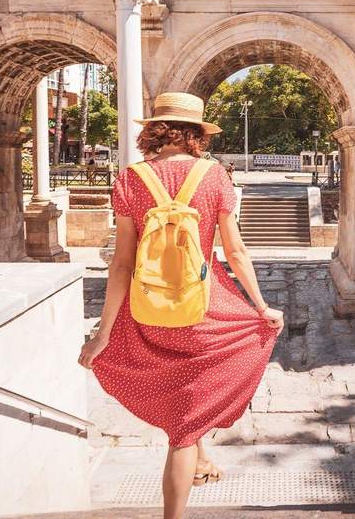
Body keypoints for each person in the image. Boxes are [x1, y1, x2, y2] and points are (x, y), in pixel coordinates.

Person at [78, 92, 283, 519]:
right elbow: (236, 252)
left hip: (150, 312)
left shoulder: (131, 179)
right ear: (196, 135)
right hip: (206, 312)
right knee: (184, 427)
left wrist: (103, 334)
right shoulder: (213, 177)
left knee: (180, 393)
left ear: (155, 131)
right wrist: (262, 307)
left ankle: (202, 459)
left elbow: (121, 265)